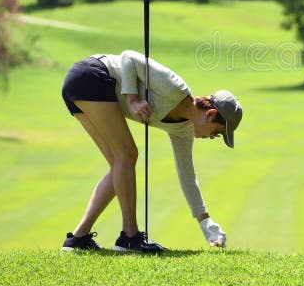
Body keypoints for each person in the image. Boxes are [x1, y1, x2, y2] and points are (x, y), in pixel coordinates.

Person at [59, 50, 243, 253]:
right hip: (92, 76)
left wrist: (205, 222)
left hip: (83, 85)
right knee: (127, 155)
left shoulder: (183, 130)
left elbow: (187, 176)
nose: (212, 138)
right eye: (216, 132)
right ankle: (130, 237)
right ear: (210, 114)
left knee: (119, 166)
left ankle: (78, 238)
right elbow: (129, 57)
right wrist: (133, 100)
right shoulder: (175, 88)